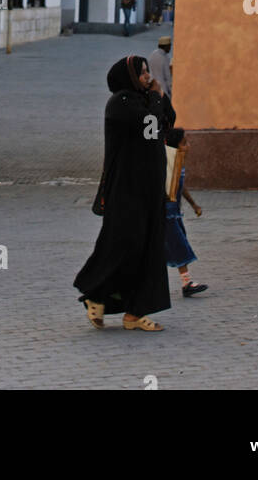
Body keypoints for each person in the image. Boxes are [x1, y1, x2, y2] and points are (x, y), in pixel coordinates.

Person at [74, 54, 174, 331]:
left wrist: (160, 98)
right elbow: (151, 129)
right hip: (126, 190)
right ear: (129, 77)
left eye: (147, 72)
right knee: (122, 245)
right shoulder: (120, 104)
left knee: (148, 249)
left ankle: (135, 312)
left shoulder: (142, 100)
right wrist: (156, 98)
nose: (147, 77)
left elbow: (169, 120)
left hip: (149, 189)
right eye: (142, 73)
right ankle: (95, 295)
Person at [164, 128, 207, 297]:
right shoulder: (169, 163)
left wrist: (194, 205)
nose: (188, 146)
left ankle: (186, 282)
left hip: (174, 213)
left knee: (176, 246)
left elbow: (181, 188)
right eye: (185, 143)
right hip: (167, 215)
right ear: (178, 146)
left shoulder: (178, 162)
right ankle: (187, 283)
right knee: (179, 246)